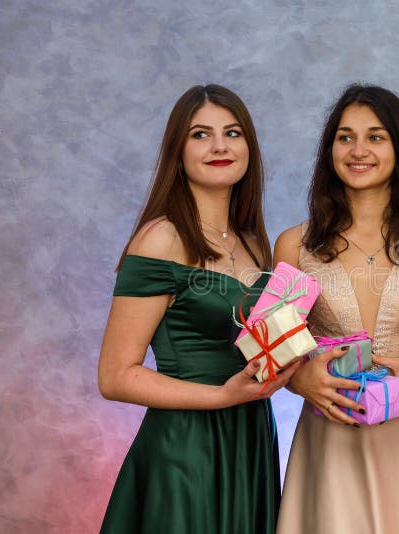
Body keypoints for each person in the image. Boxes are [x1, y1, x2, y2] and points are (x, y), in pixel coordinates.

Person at [97, 84, 300, 534]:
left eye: (232, 132)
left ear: (249, 146)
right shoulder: (161, 238)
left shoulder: (251, 242)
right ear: (179, 150)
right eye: (201, 135)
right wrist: (220, 397)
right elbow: (114, 376)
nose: (220, 146)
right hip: (186, 446)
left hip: (249, 440)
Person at [275, 84, 399, 534]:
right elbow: (278, 348)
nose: (358, 150)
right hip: (330, 434)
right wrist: (299, 378)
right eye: (345, 137)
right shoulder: (295, 245)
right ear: (330, 151)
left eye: (376, 136)